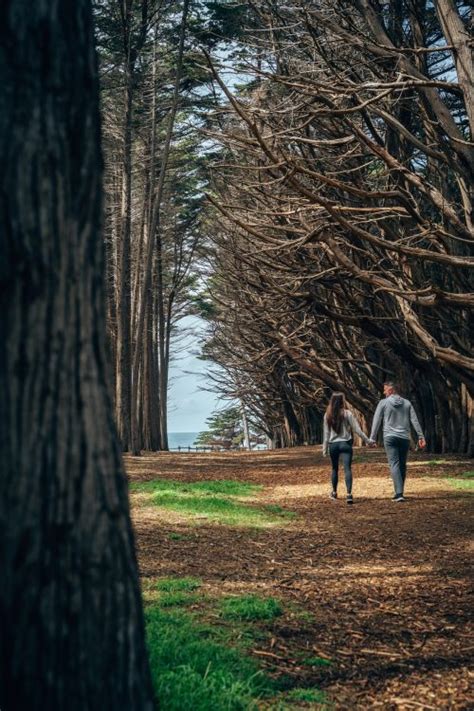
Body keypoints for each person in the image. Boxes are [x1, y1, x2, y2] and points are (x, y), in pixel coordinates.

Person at [369, 381, 426, 502]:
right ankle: (400, 491)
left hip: (390, 437)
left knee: (394, 464)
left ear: (391, 390)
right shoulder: (407, 403)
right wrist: (421, 437)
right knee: (402, 464)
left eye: (385, 390)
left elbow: (376, 420)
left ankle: (399, 493)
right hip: (404, 438)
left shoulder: (383, 403)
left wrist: (372, 438)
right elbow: (414, 421)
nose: (383, 392)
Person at [322, 392, 371, 504]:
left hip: (333, 445)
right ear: (341, 402)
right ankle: (349, 495)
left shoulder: (327, 415)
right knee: (347, 468)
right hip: (346, 444)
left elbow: (326, 434)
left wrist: (324, 449)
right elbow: (357, 430)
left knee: (334, 469)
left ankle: (334, 492)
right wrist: (367, 441)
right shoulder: (347, 414)